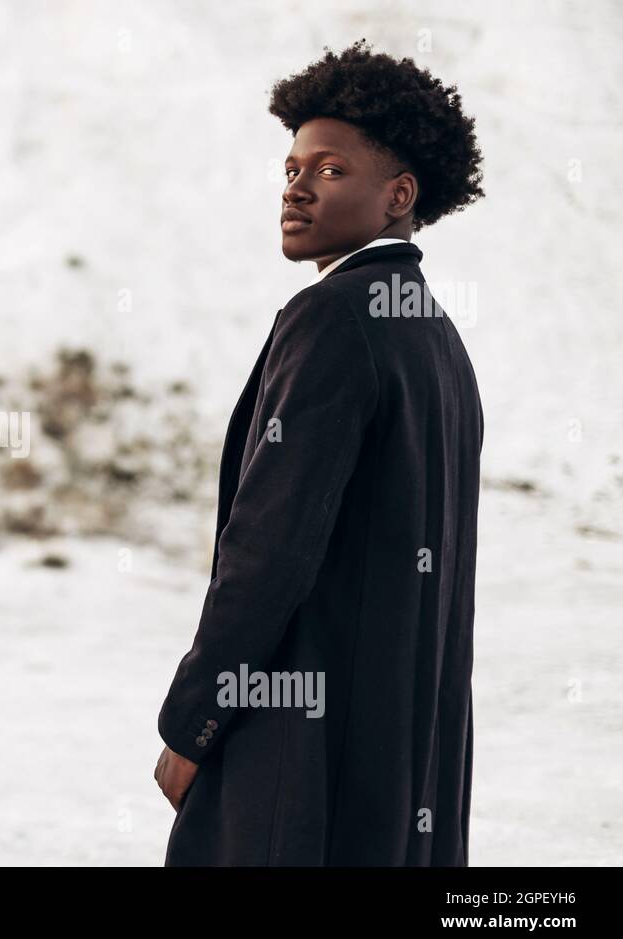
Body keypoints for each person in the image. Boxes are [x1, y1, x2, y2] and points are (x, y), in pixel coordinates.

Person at [154, 40, 486, 865]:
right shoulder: (436, 337)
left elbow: (270, 549)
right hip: (405, 763)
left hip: (306, 757)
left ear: (398, 196)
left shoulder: (334, 320)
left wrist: (193, 721)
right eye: (292, 167)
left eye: (331, 170)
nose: (296, 187)